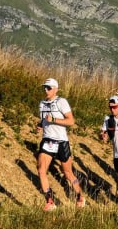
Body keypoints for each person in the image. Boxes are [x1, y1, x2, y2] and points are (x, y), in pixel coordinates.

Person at [34, 78, 85, 210]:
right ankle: (50, 201)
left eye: (49, 88)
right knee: (41, 170)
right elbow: (44, 119)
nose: (46, 90)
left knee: (67, 173)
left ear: (55, 89)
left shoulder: (61, 102)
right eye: (44, 87)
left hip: (61, 141)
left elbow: (71, 121)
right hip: (47, 140)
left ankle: (80, 195)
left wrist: (54, 119)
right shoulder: (42, 103)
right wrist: (40, 125)